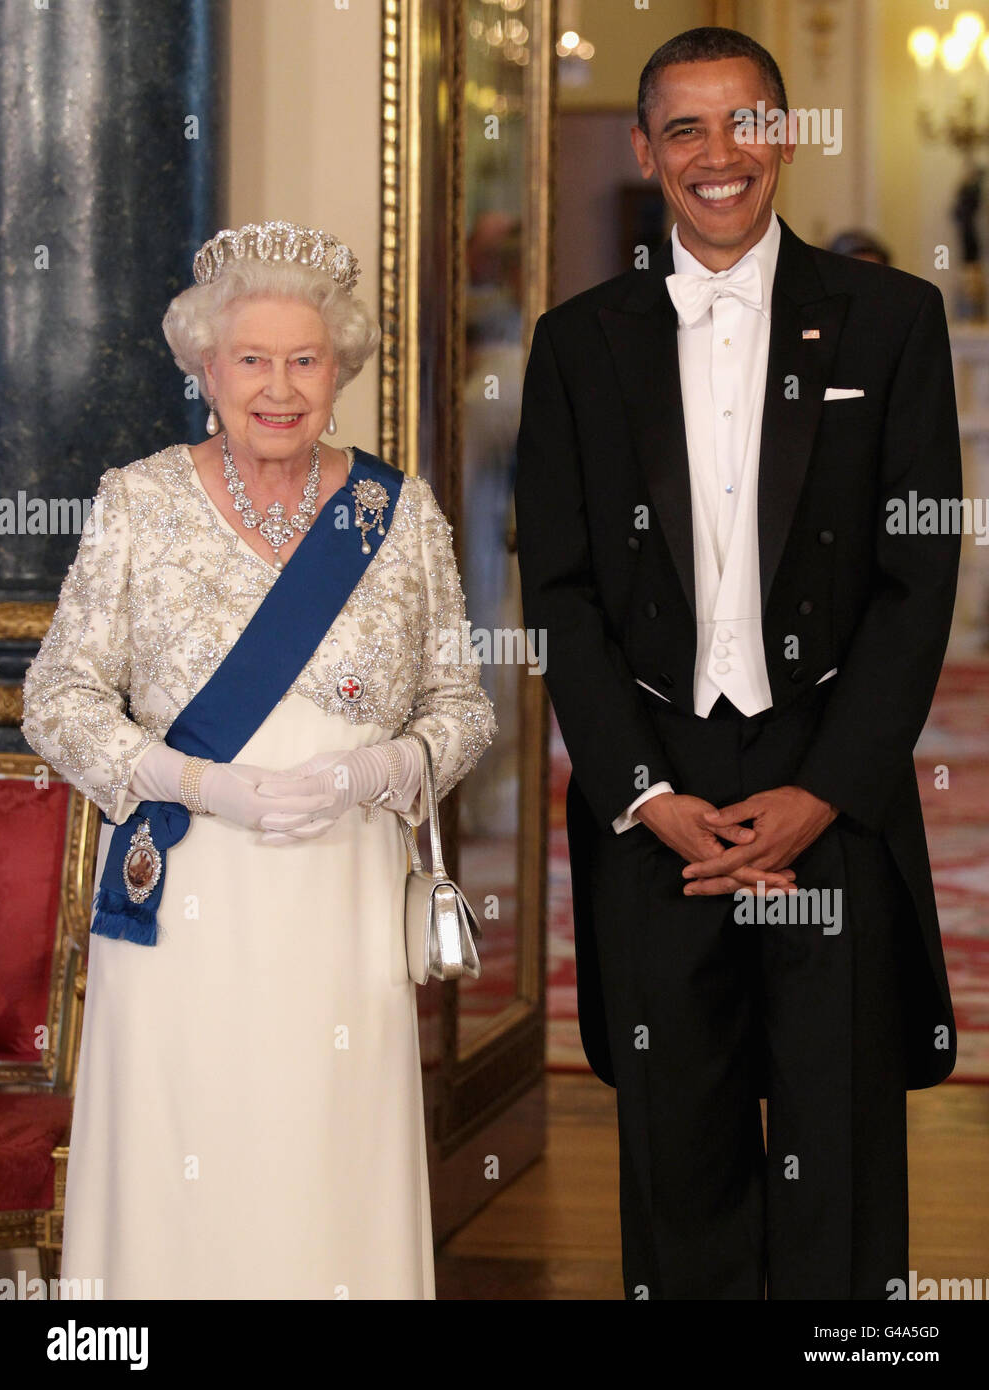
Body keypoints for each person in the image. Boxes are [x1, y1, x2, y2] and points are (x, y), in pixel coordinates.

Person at [515, 28, 961, 1299]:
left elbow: (914, 580)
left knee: (840, 1141)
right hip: (654, 789)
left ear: (785, 136)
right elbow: (557, 595)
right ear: (646, 151)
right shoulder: (576, 342)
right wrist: (643, 793)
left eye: (744, 122)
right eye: (685, 129)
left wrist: (823, 790)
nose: (718, 155)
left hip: (829, 779)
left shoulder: (891, 320)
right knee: (677, 1147)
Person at [21, 220, 496, 1299]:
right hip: (188, 896)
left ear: (339, 370)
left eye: (305, 360)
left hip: (340, 898)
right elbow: (58, 699)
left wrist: (377, 771)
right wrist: (197, 782)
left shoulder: (396, 512)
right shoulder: (139, 501)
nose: (278, 388)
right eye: (251, 359)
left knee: (322, 1155)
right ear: (205, 368)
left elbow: (462, 708)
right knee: (190, 1151)